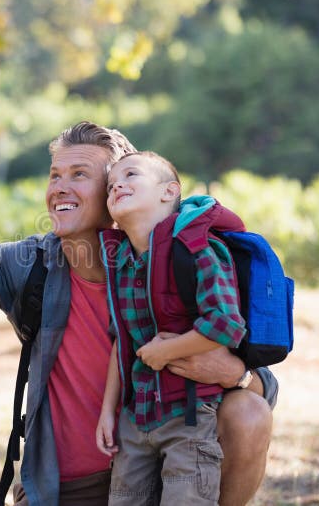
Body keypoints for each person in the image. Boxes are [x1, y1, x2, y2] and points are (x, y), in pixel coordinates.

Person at [0, 76, 276, 505]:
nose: (59, 188)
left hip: (160, 478)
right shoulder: (28, 266)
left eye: (80, 175)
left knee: (248, 413)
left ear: (118, 191)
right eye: (55, 176)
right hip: (62, 490)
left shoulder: (176, 264)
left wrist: (235, 374)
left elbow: (263, 391)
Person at [95, 151, 247, 505]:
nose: (117, 185)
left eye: (130, 175)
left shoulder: (196, 248)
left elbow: (225, 324)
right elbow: (122, 339)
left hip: (189, 416)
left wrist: (166, 351)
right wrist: (107, 412)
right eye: (111, 184)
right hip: (136, 418)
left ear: (169, 191)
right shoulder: (122, 262)